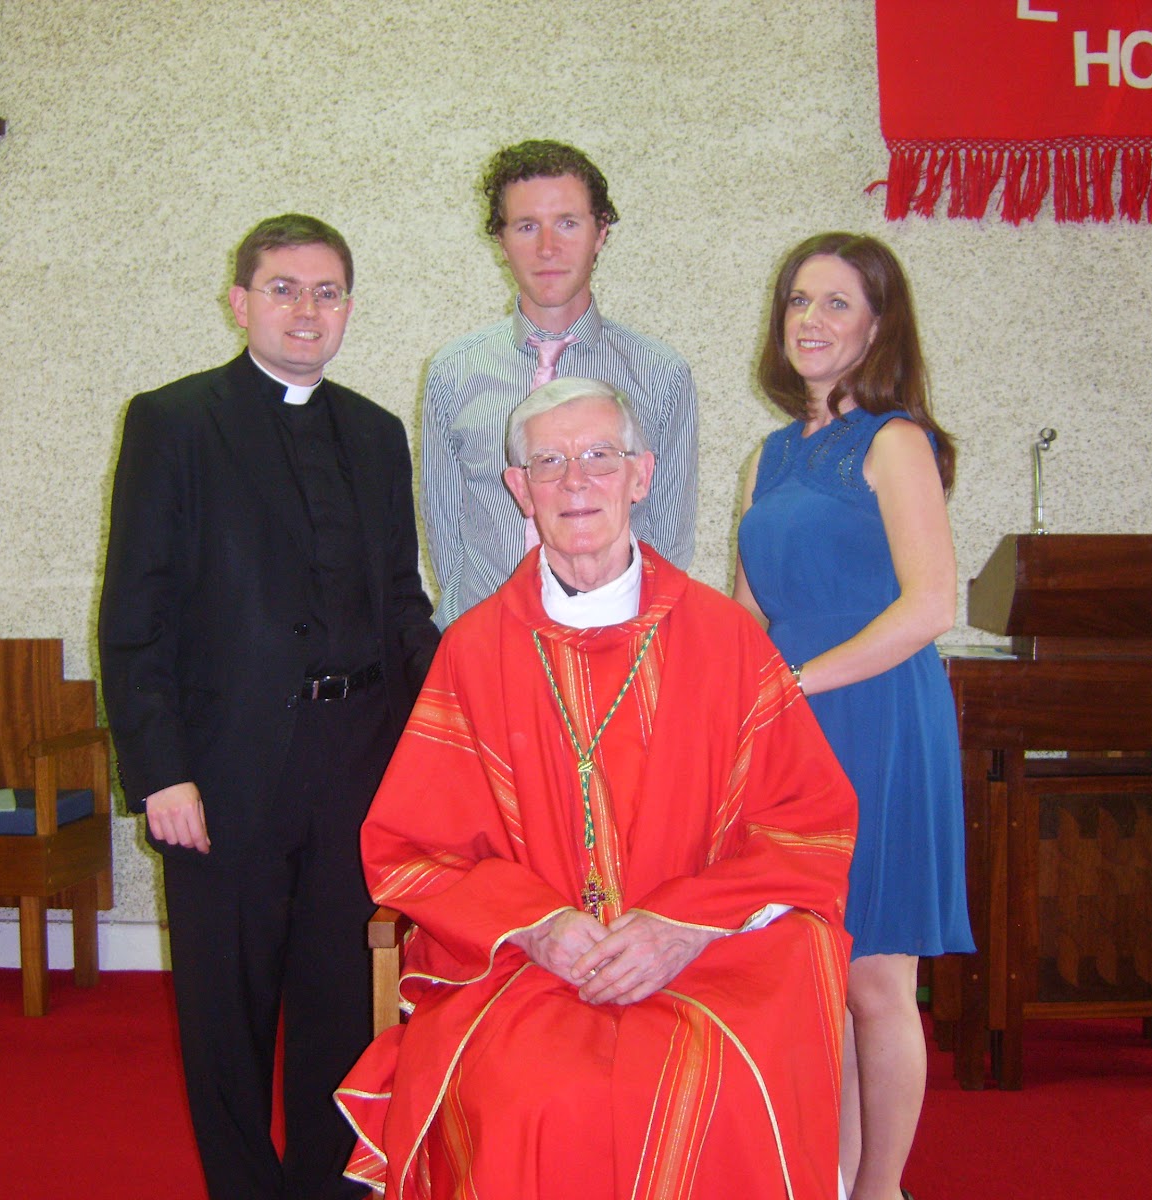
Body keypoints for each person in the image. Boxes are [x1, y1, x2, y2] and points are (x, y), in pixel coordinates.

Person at [336, 378, 857, 1200]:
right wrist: (535, 924)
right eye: (549, 462)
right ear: (519, 489)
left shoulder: (727, 643)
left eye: (599, 457)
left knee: (706, 1081)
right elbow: (412, 846)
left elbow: (808, 823)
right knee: (532, 1098)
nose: (576, 481)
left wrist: (684, 926)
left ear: (641, 475)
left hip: (707, 954)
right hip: (528, 967)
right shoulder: (474, 651)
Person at [99, 213, 440, 1200]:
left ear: (347, 311)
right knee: (227, 1011)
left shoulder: (375, 434)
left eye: (326, 292)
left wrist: (466, 703)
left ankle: (324, 1190)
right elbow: (135, 614)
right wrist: (159, 769)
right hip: (222, 769)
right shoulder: (174, 422)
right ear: (239, 301)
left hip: (355, 764)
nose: (306, 309)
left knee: (339, 998)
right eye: (284, 289)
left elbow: (400, 603)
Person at [733, 233, 975, 1200]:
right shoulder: (770, 454)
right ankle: (828, 1181)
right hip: (787, 728)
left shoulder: (894, 441)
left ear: (879, 325)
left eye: (838, 304)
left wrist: (798, 685)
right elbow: (746, 615)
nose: (811, 321)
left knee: (877, 981)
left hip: (875, 718)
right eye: (799, 300)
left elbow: (929, 607)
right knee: (811, 976)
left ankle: (882, 1190)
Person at [421, 139, 698, 627]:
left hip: (616, 642)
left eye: (568, 224)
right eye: (527, 227)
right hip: (492, 646)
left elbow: (668, 539)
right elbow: (448, 538)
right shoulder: (452, 372)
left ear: (601, 233)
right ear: (501, 242)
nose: (548, 248)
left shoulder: (659, 375)